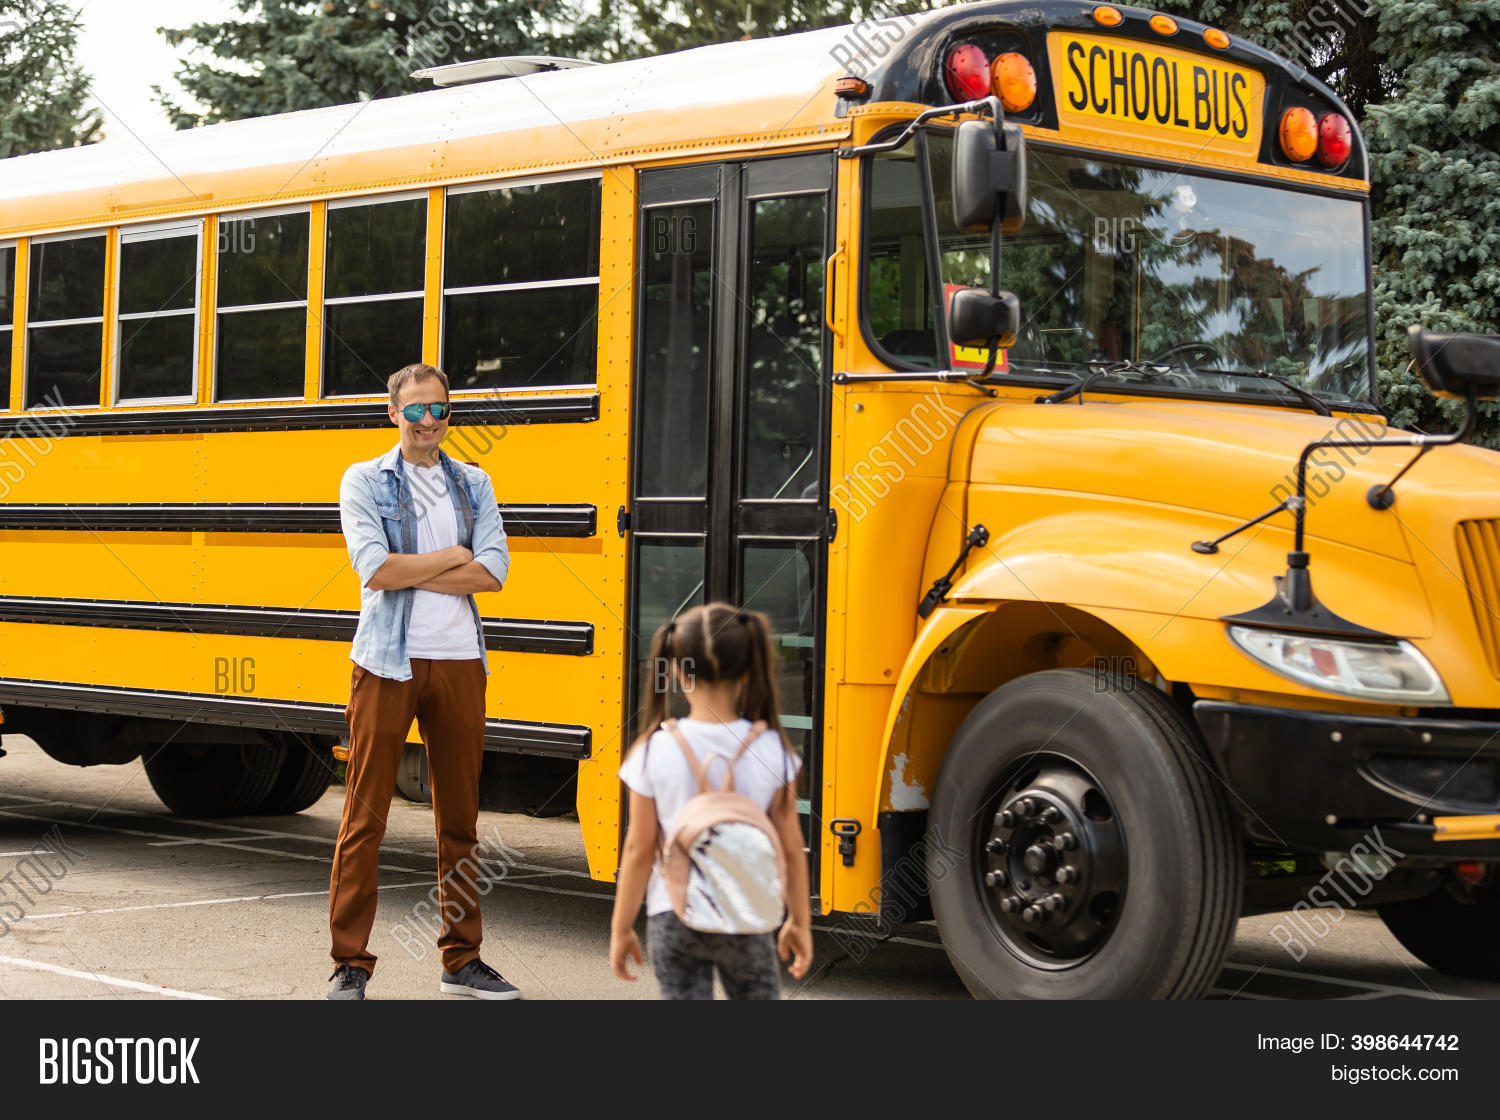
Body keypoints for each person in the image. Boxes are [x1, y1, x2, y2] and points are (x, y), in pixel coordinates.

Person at [327, 362, 516, 1000]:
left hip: (460, 659)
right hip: (388, 660)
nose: (427, 420)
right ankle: (350, 964)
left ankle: (461, 961)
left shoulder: (474, 483)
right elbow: (375, 570)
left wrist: (419, 568)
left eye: (438, 409)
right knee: (365, 815)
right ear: (393, 414)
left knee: (459, 818)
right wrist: (451, 557)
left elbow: (493, 573)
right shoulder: (364, 480)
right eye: (414, 410)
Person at [609, 602, 813, 999]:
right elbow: (790, 849)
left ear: (680, 672)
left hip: (673, 912)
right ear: (750, 671)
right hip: (747, 915)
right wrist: (799, 922)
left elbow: (637, 849)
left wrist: (621, 928)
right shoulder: (773, 749)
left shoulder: (654, 749)